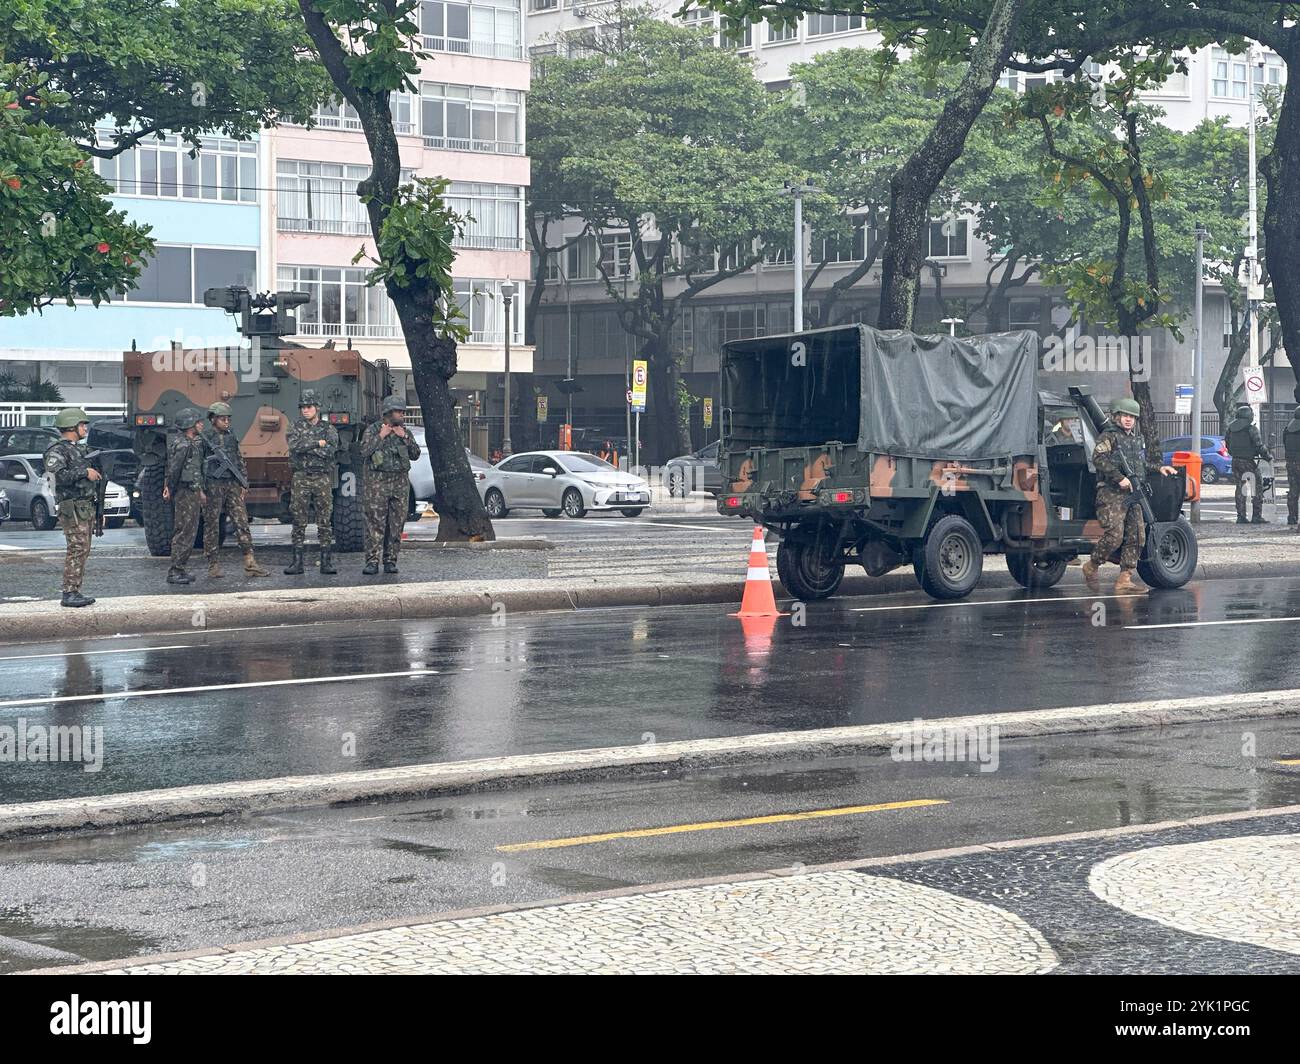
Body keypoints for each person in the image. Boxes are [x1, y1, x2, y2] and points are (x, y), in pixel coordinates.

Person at [1081, 397, 1179, 596]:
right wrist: (1119, 478)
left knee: (1137, 536)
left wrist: (1159, 468)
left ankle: (1125, 578)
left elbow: (1139, 465)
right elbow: (1098, 458)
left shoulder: (1134, 439)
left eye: (1132, 417)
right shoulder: (1109, 436)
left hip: (1133, 493)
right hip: (1111, 494)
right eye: (1125, 415)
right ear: (1116, 416)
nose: (1128, 420)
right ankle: (1092, 565)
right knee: (1114, 536)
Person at [200, 402, 270, 578]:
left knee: (241, 521)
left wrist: (243, 481)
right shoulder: (205, 438)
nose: (226, 421)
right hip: (213, 485)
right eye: (222, 418)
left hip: (232, 484)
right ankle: (213, 564)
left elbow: (238, 459)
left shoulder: (231, 436)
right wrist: (200, 488)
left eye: (228, 418)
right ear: (213, 419)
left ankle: (250, 561)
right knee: (212, 525)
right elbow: (198, 465)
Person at [43, 407, 100, 608]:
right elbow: (57, 477)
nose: (85, 428)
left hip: (84, 506)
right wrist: (85, 472)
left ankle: (75, 590)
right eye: (82, 424)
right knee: (77, 548)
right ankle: (70, 592)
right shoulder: (57, 451)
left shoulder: (78, 448)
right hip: (72, 507)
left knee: (83, 549)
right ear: (71, 426)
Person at [360, 396, 421, 575]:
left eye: (403, 411)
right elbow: (364, 451)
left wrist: (405, 439)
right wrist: (381, 436)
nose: (402, 414)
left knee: (396, 524)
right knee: (375, 523)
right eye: (398, 411)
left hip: (399, 484)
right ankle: (372, 561)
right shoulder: (372, 430)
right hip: (377, 484)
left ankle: (390, 560)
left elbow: (416, 454)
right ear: (388, 412)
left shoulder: (405, 432)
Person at [285, 388, 340, 575]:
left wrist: (308, 446)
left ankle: (326, 562)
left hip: (321, 478)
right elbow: (294, 446)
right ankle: (297, 562)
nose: (305, 410)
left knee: (324, 520)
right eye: (302, 407)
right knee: (298, 519)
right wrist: (317, 443)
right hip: (301, 477)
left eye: (308, 406)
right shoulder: (294, 426)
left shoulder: (328, 429)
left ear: (317, 407)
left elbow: (330, 451)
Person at [163, 408, 206, 585]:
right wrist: (169, 488)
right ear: (189, 425)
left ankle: (180, 568)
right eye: (198, 422)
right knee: (184, 531)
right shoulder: (183, 445)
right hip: (185, 492)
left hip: (192, 491)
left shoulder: (191, 443)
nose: (201, 424)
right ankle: (175, 571)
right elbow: (174, 470)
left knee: (189, 531)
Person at [1225, 402, 1273, 524]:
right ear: (1249, 416)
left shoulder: (1230, 429)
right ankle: (1256, 516)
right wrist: (1268, 457)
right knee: (1257, 487)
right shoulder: (1251, 429)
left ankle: (1240, 516)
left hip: (1235, 461)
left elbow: (1227, 445)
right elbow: (1259, 446)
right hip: (1248, 462)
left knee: (1240, 488)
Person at [1284, 405, 1300, 529]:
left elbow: (1285, 443)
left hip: (1291, 462)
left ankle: (1292, 517)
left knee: (1293, 490)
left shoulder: (1288, 429)